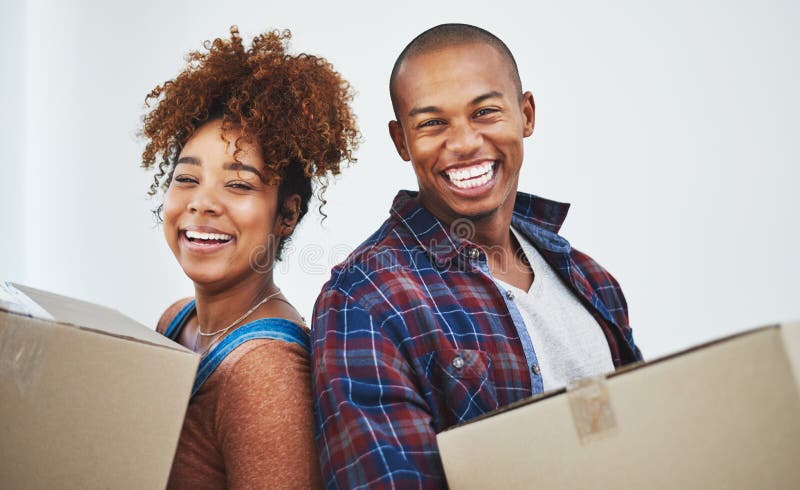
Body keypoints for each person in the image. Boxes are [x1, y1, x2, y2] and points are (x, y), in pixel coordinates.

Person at [312, 23, 643, 488]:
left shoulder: (592, 281)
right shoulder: (365, 299)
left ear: (526, 114)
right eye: (432, 123)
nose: (465, 142)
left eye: (485, 112)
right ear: (401, 141)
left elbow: (646, 445)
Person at [140, 26, 358, 489]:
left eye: (238, 184)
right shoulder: (176, 322)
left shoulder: (266, 370)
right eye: (186, 179)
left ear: (287, 215)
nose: (202, 203)